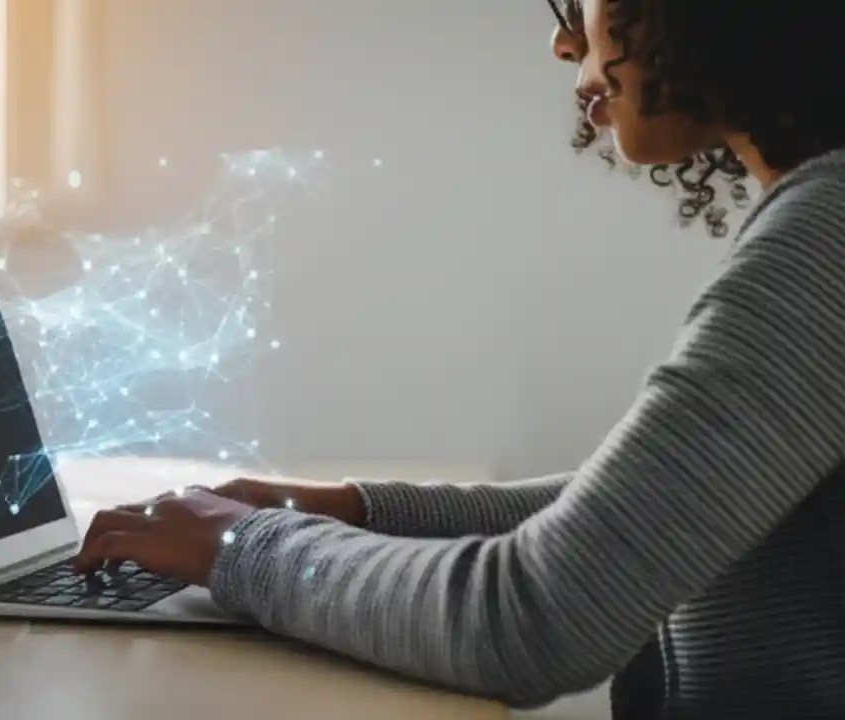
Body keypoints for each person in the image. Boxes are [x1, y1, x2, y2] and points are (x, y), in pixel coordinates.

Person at [75, 1, 845, 717]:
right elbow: (660, 512)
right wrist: (354, 510)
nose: (566, 38)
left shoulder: (827, 239)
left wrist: (241, 548)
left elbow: (536, 620)